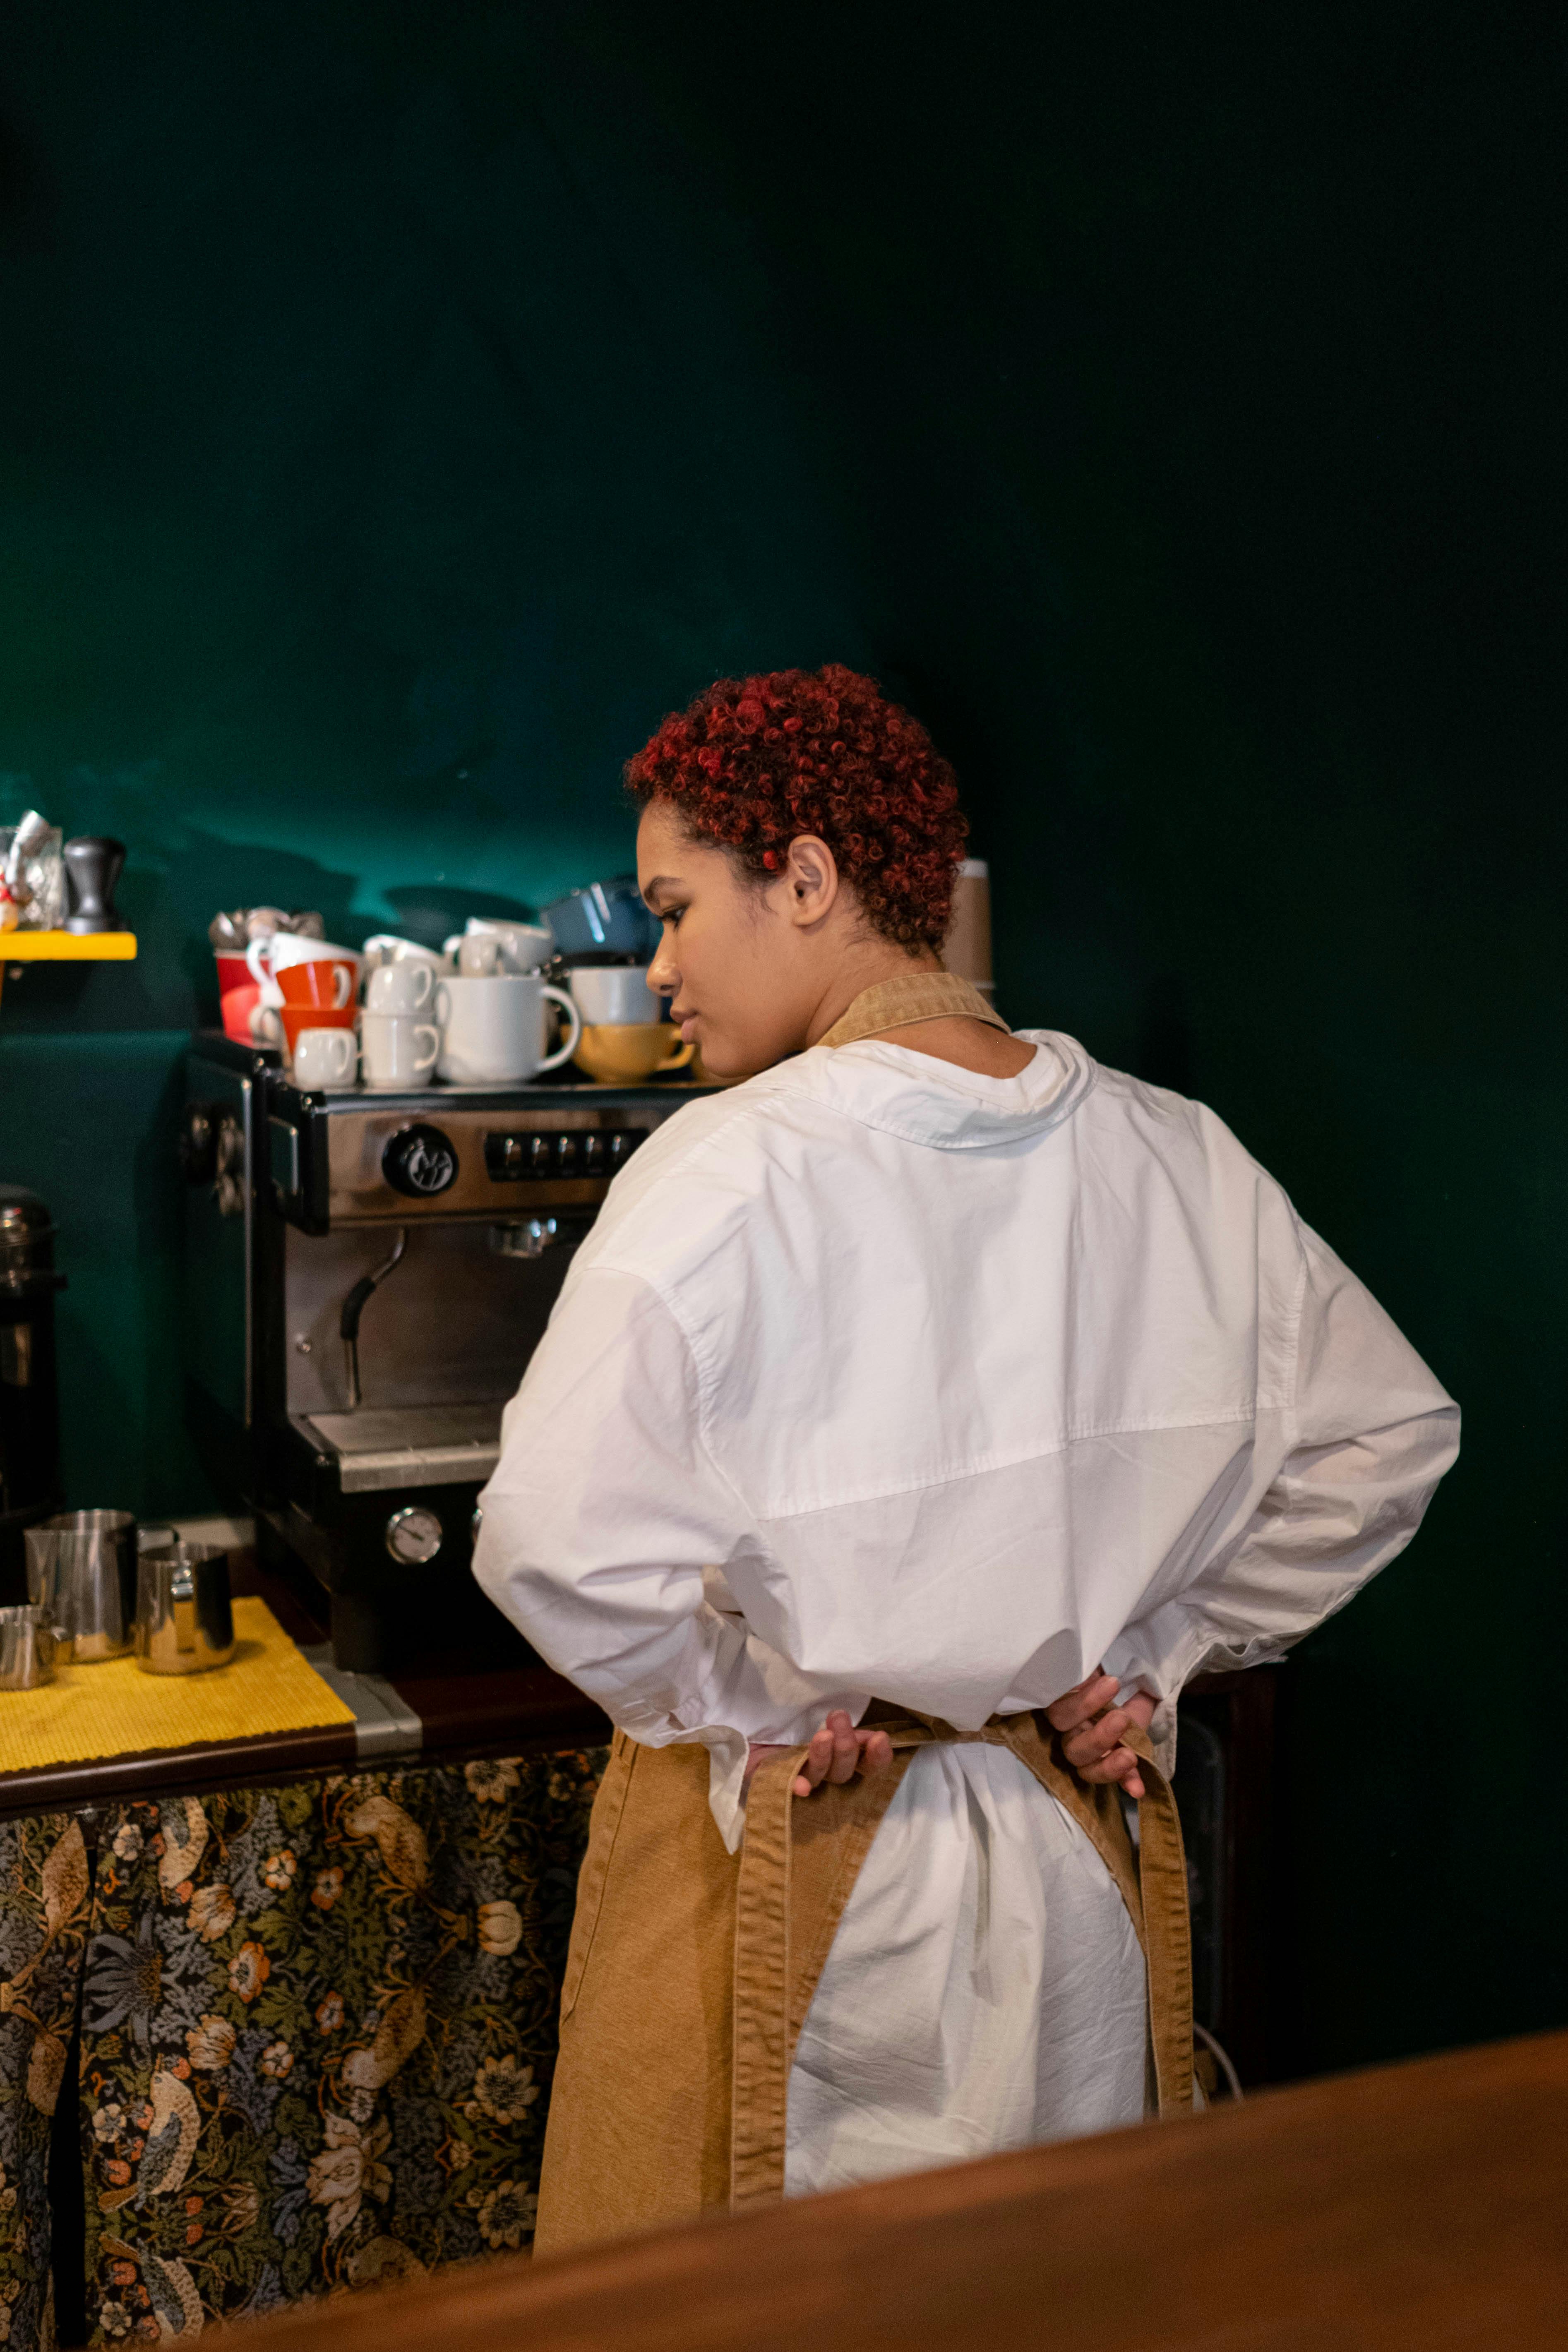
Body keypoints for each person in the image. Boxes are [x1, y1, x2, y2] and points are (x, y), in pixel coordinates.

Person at [472, 662, 1458, 2254]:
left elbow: (550, 1545)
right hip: (1078, 1856)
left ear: (803, 876)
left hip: (801, 1853)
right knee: (1050, 2282)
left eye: (670, 907)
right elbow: (1389, 1436)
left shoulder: (723, 1170)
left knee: (785, 2303)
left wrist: (763, 1696)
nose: (654, 966)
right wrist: (1153, 1650)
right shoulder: (1175, 1151)